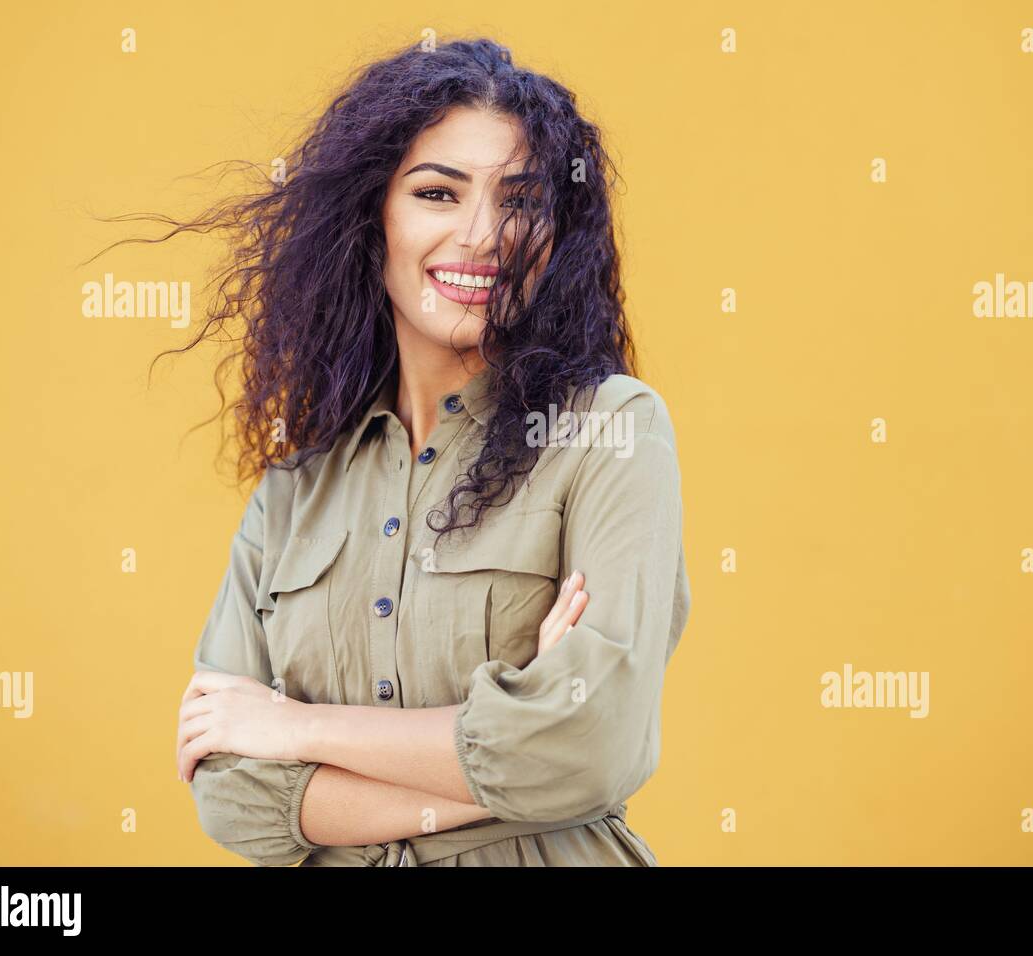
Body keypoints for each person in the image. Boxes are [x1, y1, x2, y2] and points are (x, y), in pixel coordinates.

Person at [168, 37, 690, 866]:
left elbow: (589, 749)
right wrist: (507, 761)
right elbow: (230, 792)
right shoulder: (294, 489)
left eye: (521, 201)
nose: (483, 235)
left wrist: (296, 729)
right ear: (371, 219)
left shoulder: (612, 432)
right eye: (438, 193)